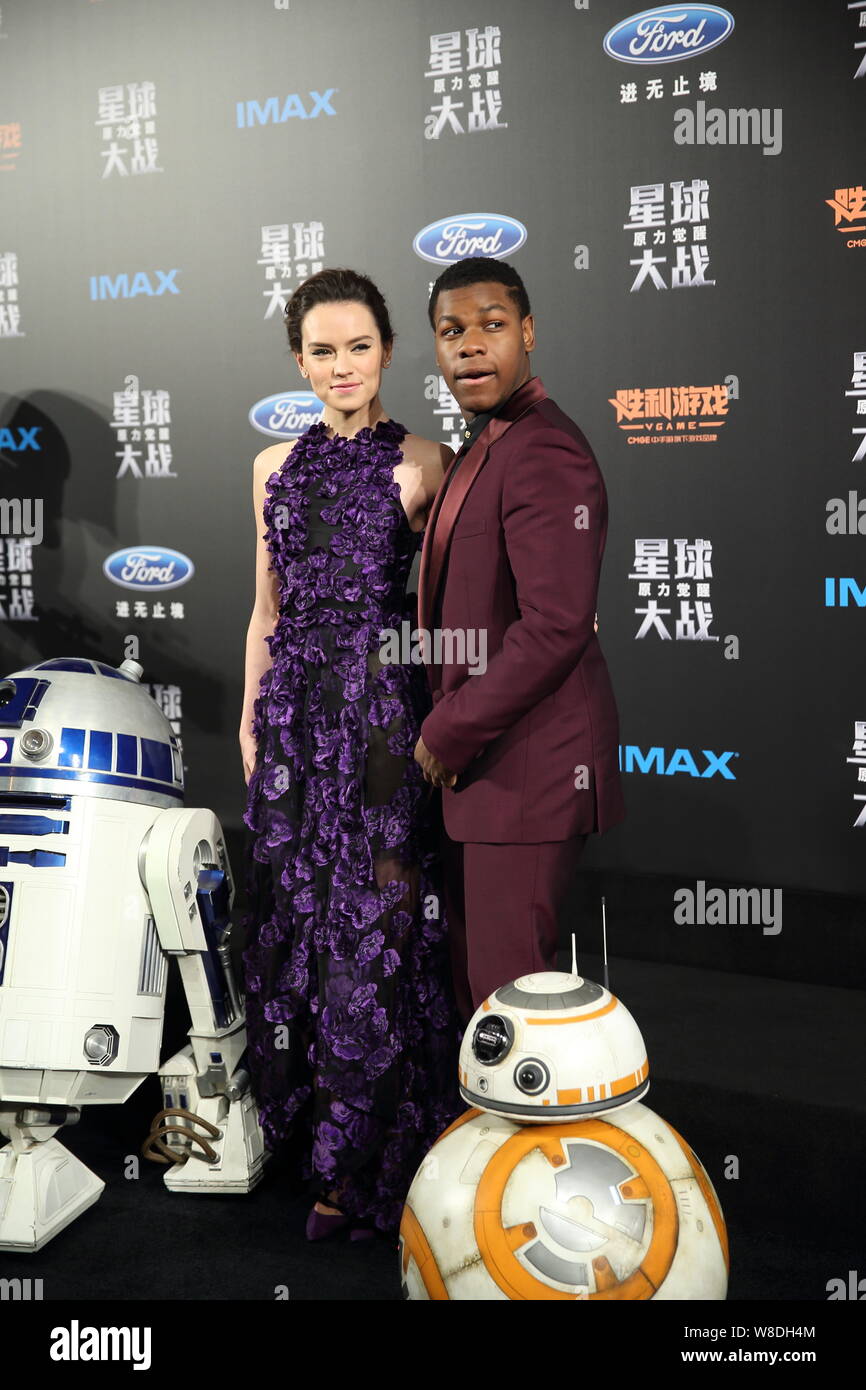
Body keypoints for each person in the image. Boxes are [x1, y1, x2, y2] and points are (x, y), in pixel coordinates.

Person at [239, 267, 463, 1241]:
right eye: (321, 350)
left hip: (379, 723)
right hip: (291, 721)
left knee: (377, 933)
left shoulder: (426, 462)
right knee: (295, 930)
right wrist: (250, 721)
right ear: (298, 359)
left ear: (385, 350)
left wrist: (425, 724)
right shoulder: (267, 467)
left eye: (358, 346)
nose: (340, 366)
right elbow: (265, 611)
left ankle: (362, 1168)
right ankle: (302, 1139)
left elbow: (444, 618)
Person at [414, 256, 626, 1024]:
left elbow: (556, 628)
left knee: (512, 1014)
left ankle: (539, 1150)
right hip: (493, 778)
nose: (472, 345)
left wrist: (447, 728)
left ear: (528, 332)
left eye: (493, 325)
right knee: (487, 1004)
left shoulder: (544, 449)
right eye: (452, 331)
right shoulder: (489, 443)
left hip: (527, 775)